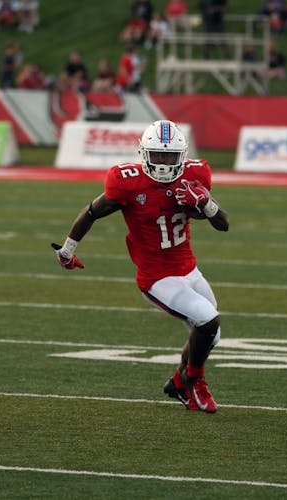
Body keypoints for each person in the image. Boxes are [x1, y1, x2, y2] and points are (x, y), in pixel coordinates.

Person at [52, 119, 229, 414]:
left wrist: (206, 204)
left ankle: (177, 382)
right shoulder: (128, 182)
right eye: (157, 155)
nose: (162, 162)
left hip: (189, 270)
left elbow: (222, 224)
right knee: (208, 321)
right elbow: (93, 211)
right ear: (144, 153)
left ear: (181, 156)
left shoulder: (196, 174)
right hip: (157, 277)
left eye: (169, 156)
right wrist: (68, 249)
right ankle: (194, 381)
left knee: (211, 334)